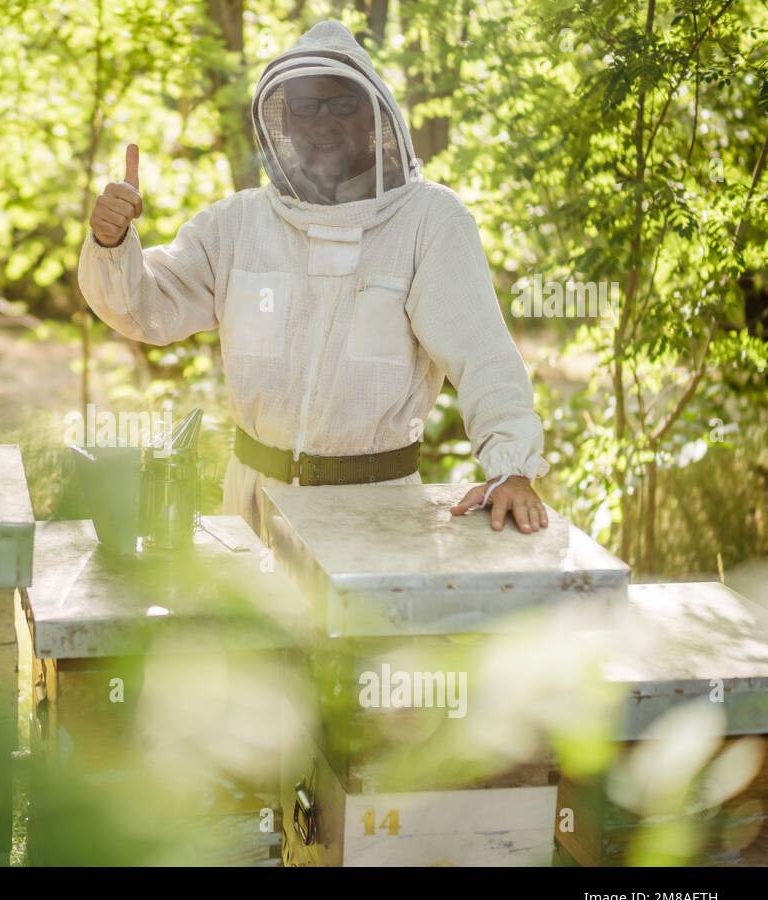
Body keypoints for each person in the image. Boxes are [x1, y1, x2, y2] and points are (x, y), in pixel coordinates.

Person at [79, 20, 550, 535]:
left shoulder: (428, 222)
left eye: (342, 103)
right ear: (284, 121)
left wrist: (511, 467)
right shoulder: (238, 224)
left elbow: (483, 354)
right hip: (251, 506)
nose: (322, 120)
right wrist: (112, 243)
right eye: (304, 106)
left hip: (379, 516)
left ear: (373, 116)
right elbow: (145, 307)